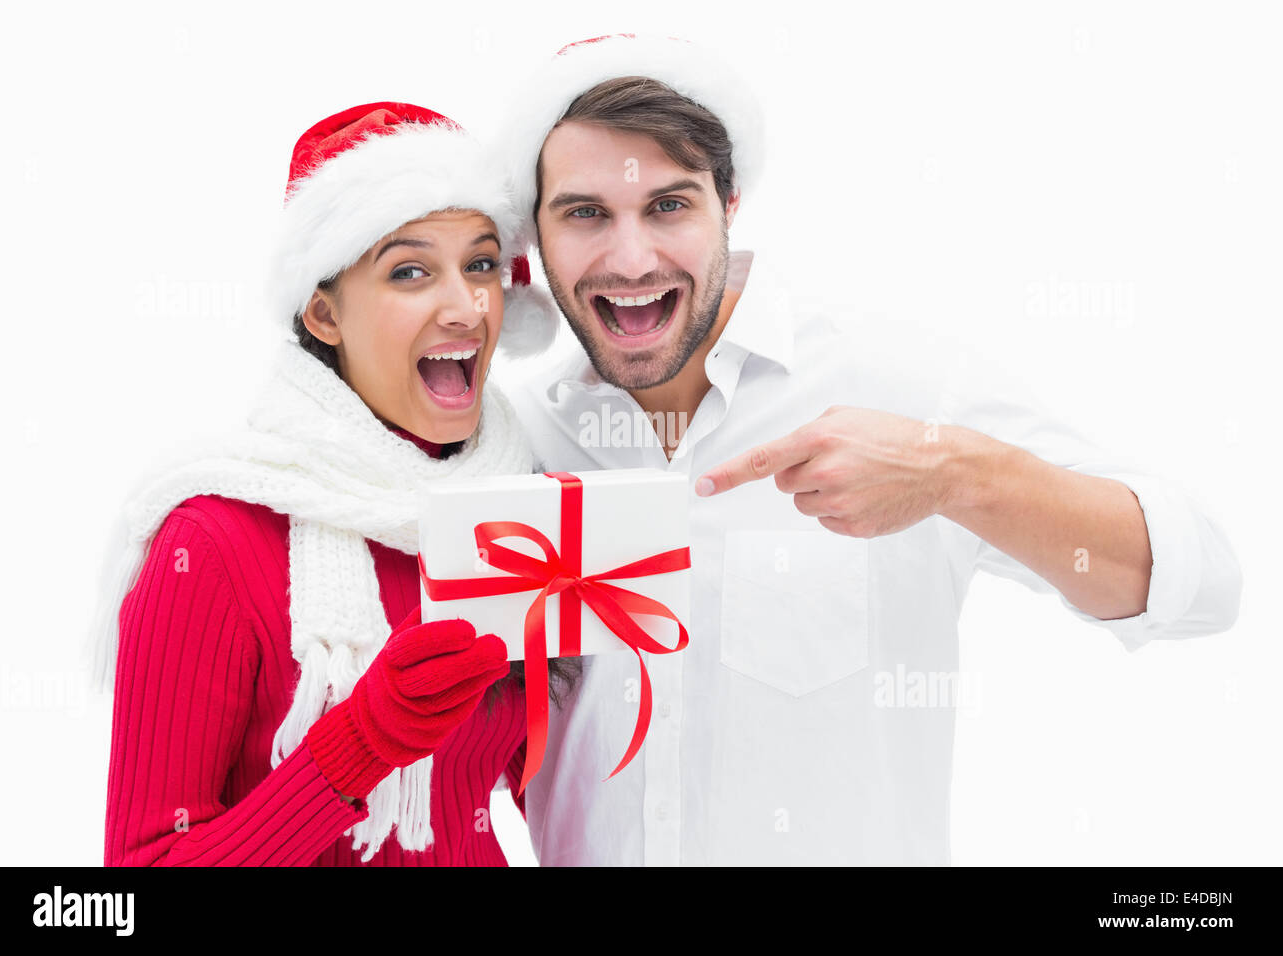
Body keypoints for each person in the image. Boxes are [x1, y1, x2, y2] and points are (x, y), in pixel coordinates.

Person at [494, 34, 1244, 865]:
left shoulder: (897, 384)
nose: (631, 259)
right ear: (535, 235)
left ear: (729, 205)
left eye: (669, 205)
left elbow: (1201, 581)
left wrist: (956, 474)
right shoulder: (511, 443)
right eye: (585, 213)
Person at [90, 101, 571, 866]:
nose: (466, 306)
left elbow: (559, 791)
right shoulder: (212, 539)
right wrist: (357, 745)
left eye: (481, 263)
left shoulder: (515, 514)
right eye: (410, 271)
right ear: (323, 314)